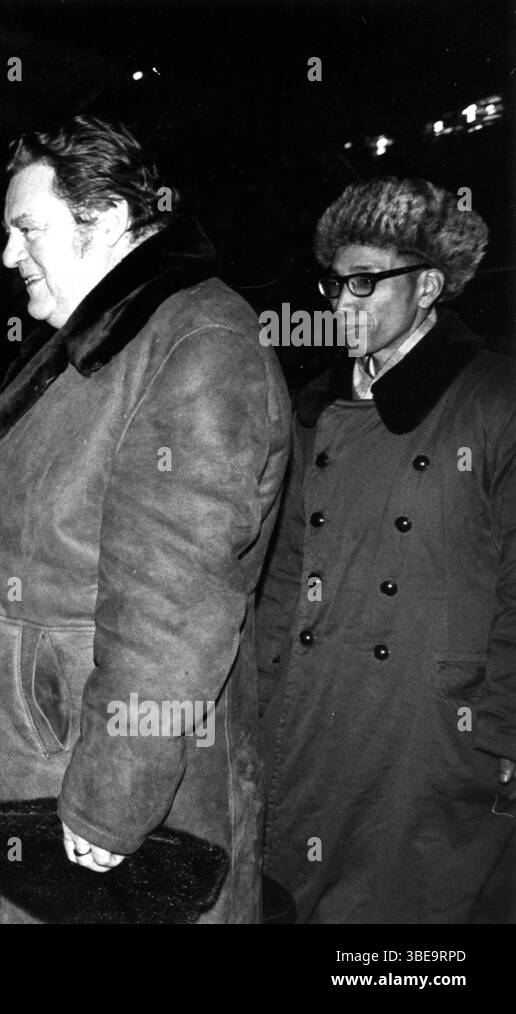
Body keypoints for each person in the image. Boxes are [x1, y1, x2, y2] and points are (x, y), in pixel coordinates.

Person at [0, 115, 290, 922]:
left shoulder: (199, 348)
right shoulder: (111, 332)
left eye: (27, 230)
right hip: (26, 754)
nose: (9, 257)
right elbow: (66, 514)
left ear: (108, 219)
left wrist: (112, 801)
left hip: (77, 777)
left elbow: (174, 610)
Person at [255, 177, 516, 922]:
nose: (342, 304)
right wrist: (261, 706)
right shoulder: (314, 407)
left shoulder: (494, 400)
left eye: (365, 282)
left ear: (429, 285)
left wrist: (500, 738)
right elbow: (283, 574)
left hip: (430, 735)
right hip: (313, 720)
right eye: (335, 283)